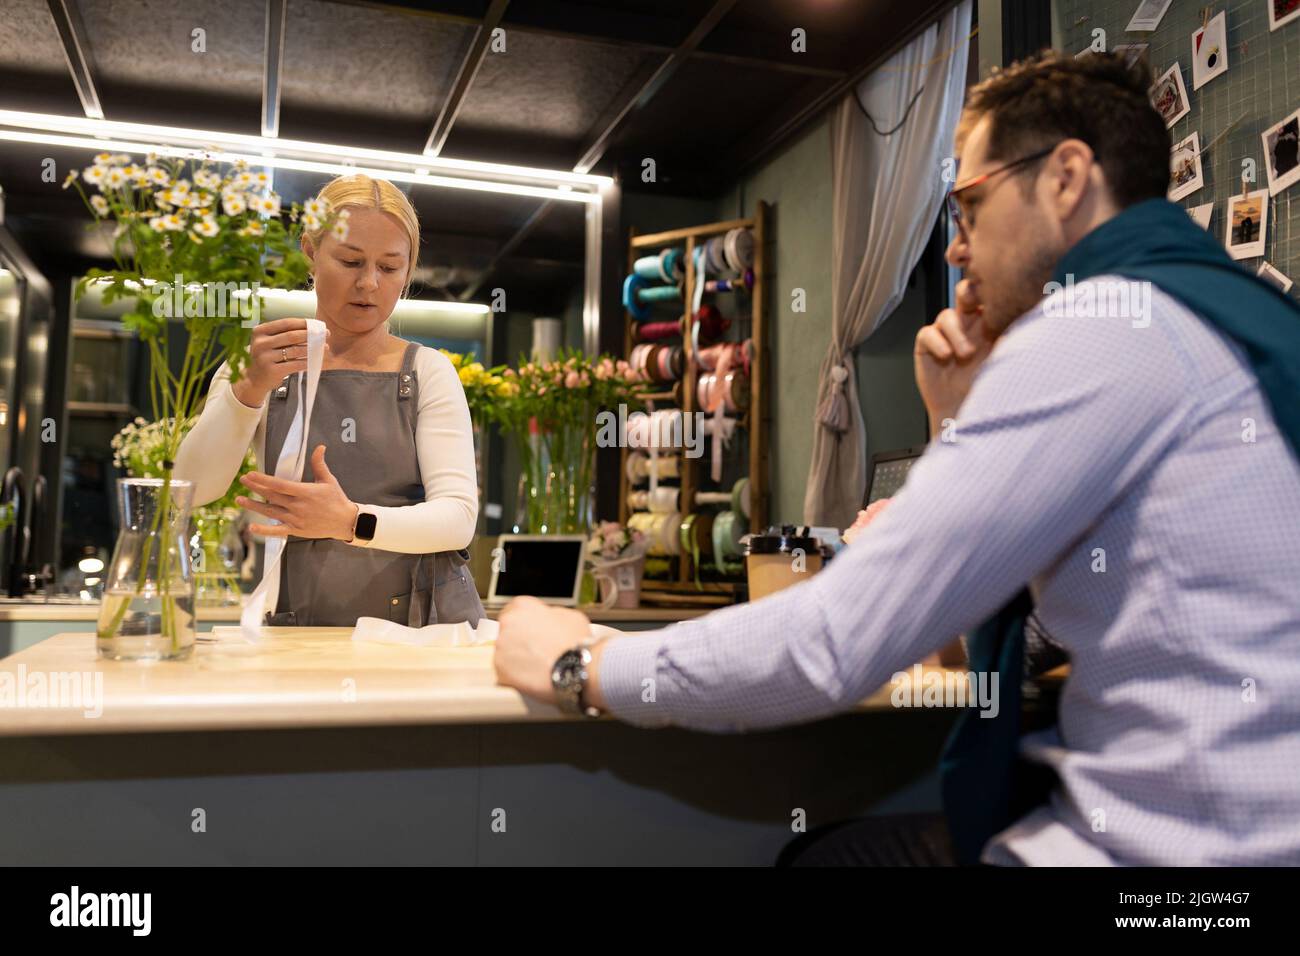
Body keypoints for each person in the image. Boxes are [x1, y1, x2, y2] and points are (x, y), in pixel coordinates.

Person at [493, 51, 1300, 866]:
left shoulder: (1095, 327)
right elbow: (1009, 598)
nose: (955, 249)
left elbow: (835, 641)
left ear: (1065, 178)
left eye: (969, 205)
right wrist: (957, 420)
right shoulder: (1230, 318)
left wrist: (581, 663)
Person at [175, 174, 484, 628]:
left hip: (418, 636)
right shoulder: (260, 362)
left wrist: (350, 522)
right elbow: (194, 489)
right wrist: (246, 392)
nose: (369, 284)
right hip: (296, 631)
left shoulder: (427, 372)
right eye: (350, 260)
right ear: (310, 250)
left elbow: (457, 518)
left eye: (390, 267)